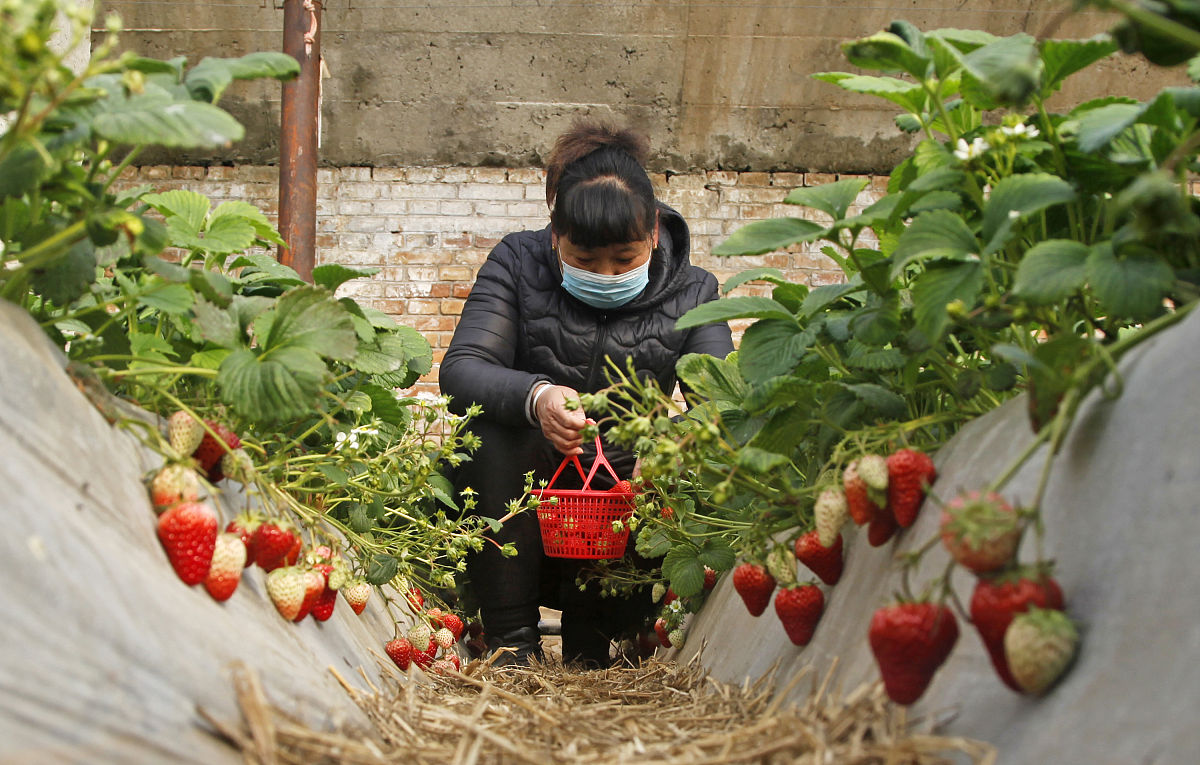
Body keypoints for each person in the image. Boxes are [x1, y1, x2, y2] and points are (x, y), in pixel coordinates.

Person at [439, 120, 733, 667]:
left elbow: (723, 405)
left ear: (652, 233)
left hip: (621, 523)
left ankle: (594, 645)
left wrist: (669, 449)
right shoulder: (517, 263)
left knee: (683, 473)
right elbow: (463, 369)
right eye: (583, 260)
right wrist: (539, 396)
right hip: (521, 514)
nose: (605, 273)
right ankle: (512, 644)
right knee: (489, 434)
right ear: (555, 237)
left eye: (624, 261)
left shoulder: (696, 293)